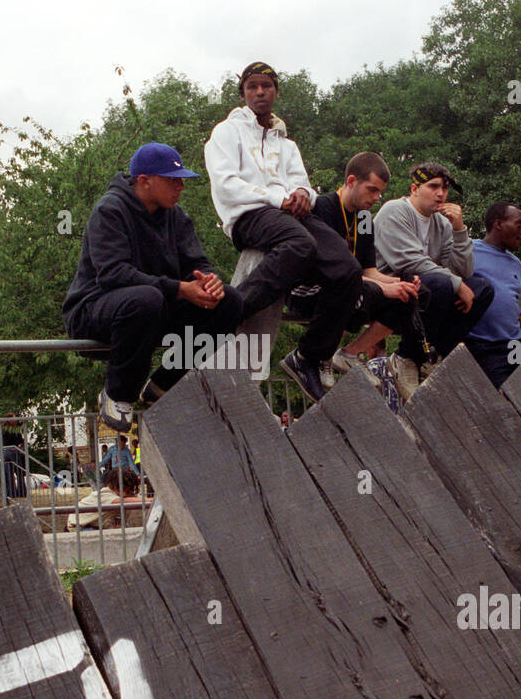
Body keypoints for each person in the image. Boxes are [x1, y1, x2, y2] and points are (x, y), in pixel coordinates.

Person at [204, 62, 362, 402]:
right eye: (252, 87)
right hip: (250, 215)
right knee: (300, 244)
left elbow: (301, 181)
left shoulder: (286, 143)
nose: (260, 92)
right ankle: (230, 311)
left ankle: (309, 356)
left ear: (276, 91)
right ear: (244, 93)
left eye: (266, 86)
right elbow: (227, 184)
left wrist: (304, 194)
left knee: (347, 268)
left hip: (289, 217)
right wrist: (281, 197)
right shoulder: (226, 132)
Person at [64, 142, 242, 432]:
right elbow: (112, 275)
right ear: (144, 181)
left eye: (182, 180)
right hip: (94, 310)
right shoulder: (110, 210)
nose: (180, 187)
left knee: (231, 301)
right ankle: (118, 393)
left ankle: (161, 384)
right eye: (172, 181)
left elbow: (197, 262)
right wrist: (181, 289)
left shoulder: (177, 216)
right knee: (147, 298)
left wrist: (209, 282)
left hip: (152, 309)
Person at [374, 161, 495, 398]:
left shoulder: (442, 223)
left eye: (445, 188)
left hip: (427, 294)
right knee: (440, 284)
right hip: (388, 289)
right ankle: (405, 358)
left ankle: (434, 357)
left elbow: (464, 270)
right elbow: (408, 263)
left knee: (482, 289)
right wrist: (457, 284)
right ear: (414, 188)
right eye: (433, 186)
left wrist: (459, 229)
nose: (441, 194)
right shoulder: (394, 211)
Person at [308, 152, 427, 381]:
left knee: (411, 291)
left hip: (354, 283)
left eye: (380, 191)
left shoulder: (363, 218)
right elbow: (329, 273)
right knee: (371, 291)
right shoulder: (322, 208)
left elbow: (369, 271)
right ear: (352, 181)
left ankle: (350, 353)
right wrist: (383, 288)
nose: (377, 197)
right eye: (372, 189)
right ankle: (320, 352)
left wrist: (399, 283)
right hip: (318, 286)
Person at [465, 202, 521, 389]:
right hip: (482, 345)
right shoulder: (468, 250)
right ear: (498, 224)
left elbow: (508, 298)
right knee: (495, 404)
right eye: (519, 224)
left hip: (515, 345)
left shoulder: (517, 264)